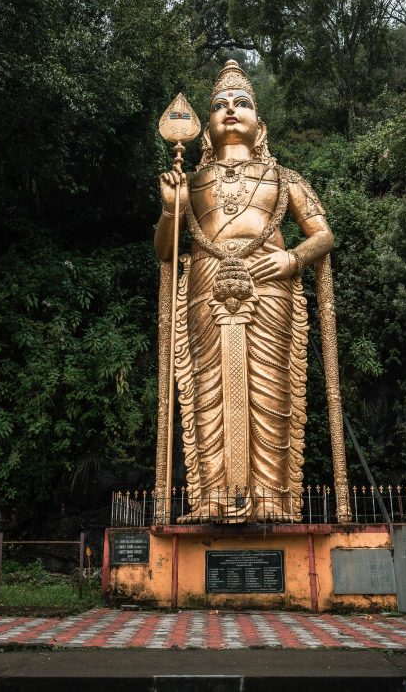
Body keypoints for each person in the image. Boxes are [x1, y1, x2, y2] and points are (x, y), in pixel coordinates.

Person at [154, 61, 335, 522]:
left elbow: (322, 235)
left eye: (242, 103)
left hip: (269, 285)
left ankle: (272, 497)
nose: (230, 110)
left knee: (271, 388)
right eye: (220, 105)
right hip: (206, 288)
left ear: (261, 125)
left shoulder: (284, 178)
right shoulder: (191, 181)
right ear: (207, 127)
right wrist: (172, 208)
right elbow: (165, 251)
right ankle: (213, 496)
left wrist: (292, 259)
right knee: (206, 389)